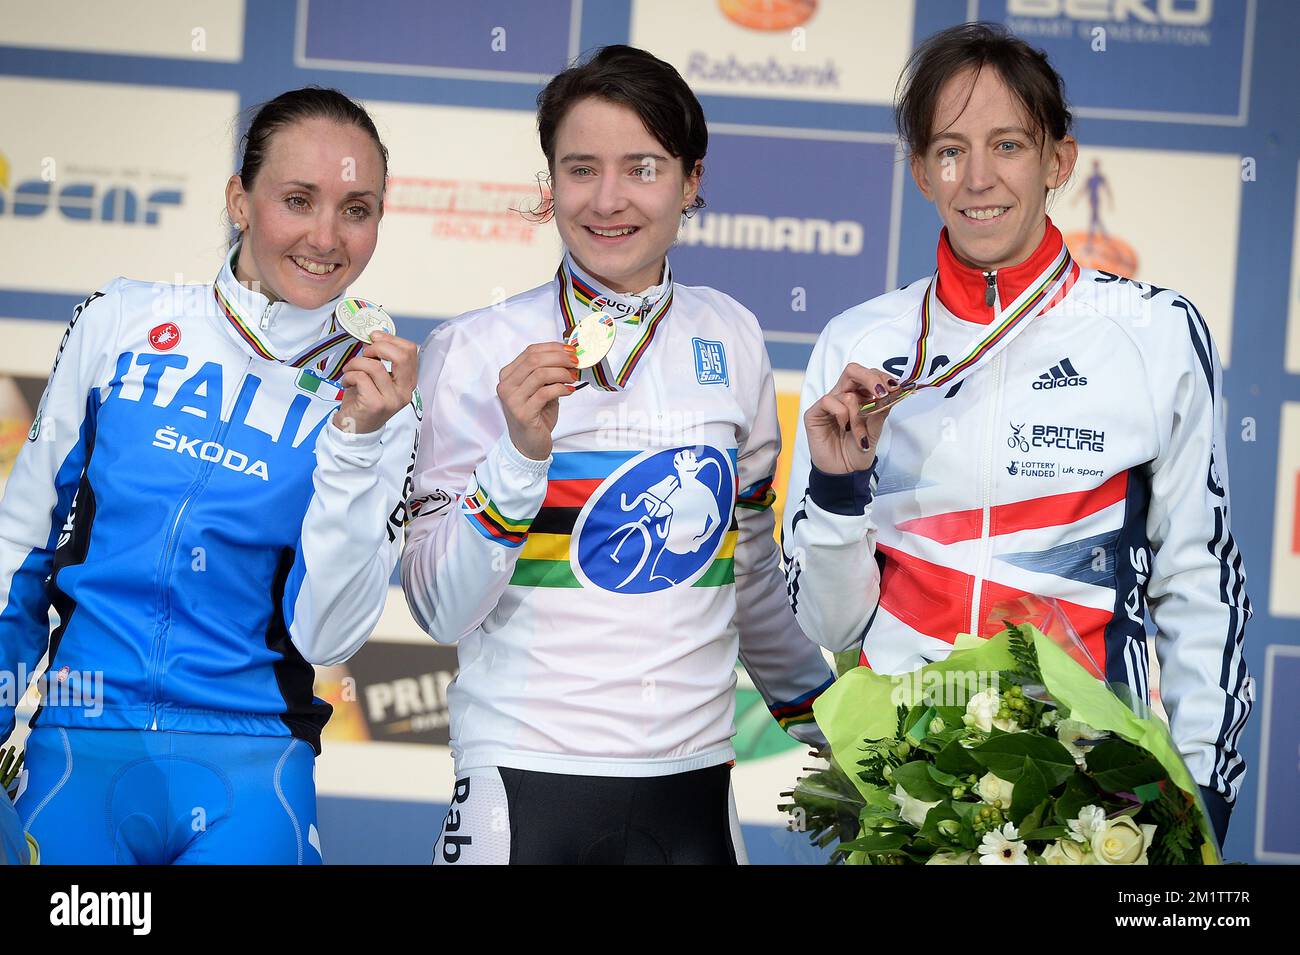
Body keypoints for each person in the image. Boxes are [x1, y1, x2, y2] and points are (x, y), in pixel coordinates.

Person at [781, 23, 1251, 846]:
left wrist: (1202, 787)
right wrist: (837, 488)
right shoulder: (858, 346)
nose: (980, 177)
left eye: (1008, 144)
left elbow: (1198, 581)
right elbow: (831, 626)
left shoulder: (1151, 332)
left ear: (1058, 162)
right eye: (951, 150)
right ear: (923, 171)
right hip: (911, 793)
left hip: (1097, 789)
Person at [402, 45, 834, 865]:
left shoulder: (732, 335)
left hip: (695, 786)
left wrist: (832, 724)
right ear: (549, 184)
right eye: (580, 169)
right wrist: (521, 459)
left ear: (691, 181)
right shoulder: (473, 348)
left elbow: (745, 572)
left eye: (642, 167)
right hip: (525, 778)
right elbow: (440, 610)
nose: (608, 200)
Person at [0, 87, 419, 864]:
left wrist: (360, 442)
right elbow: (22, 541)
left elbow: (329, 633)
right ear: (240, 199)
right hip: (80, 744)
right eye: (298, 199)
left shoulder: (383, 395)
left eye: (356, 209)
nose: (326, 237)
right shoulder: (121, 321)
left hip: (254, 768)